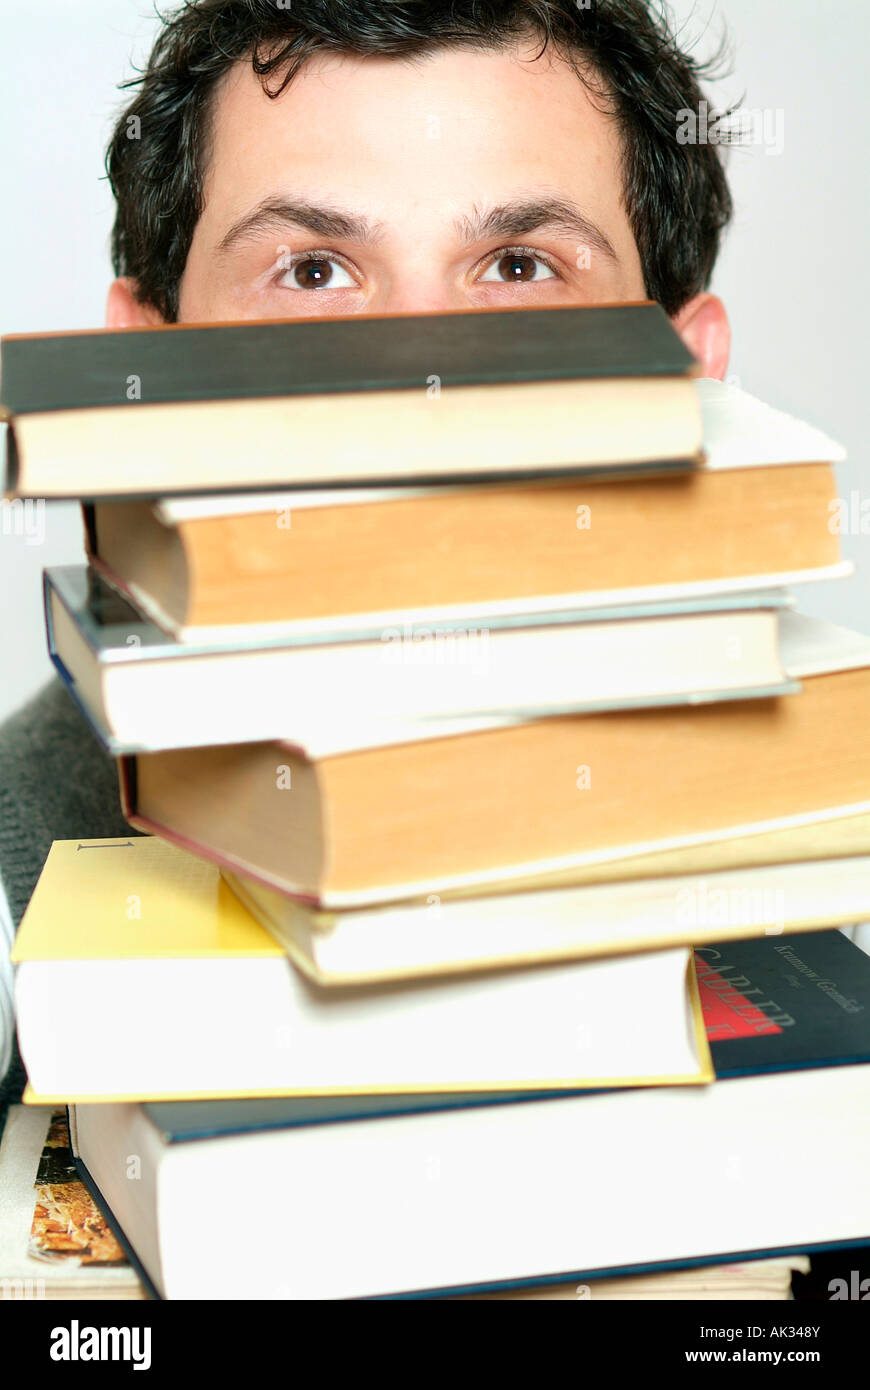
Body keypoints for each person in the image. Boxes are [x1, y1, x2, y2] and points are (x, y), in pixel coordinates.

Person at [0, 0, 733, 1128]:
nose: (416, 384)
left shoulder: (813, 854)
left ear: (689, 380)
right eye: (312, 272)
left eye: (520, 266)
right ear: (136, 376)